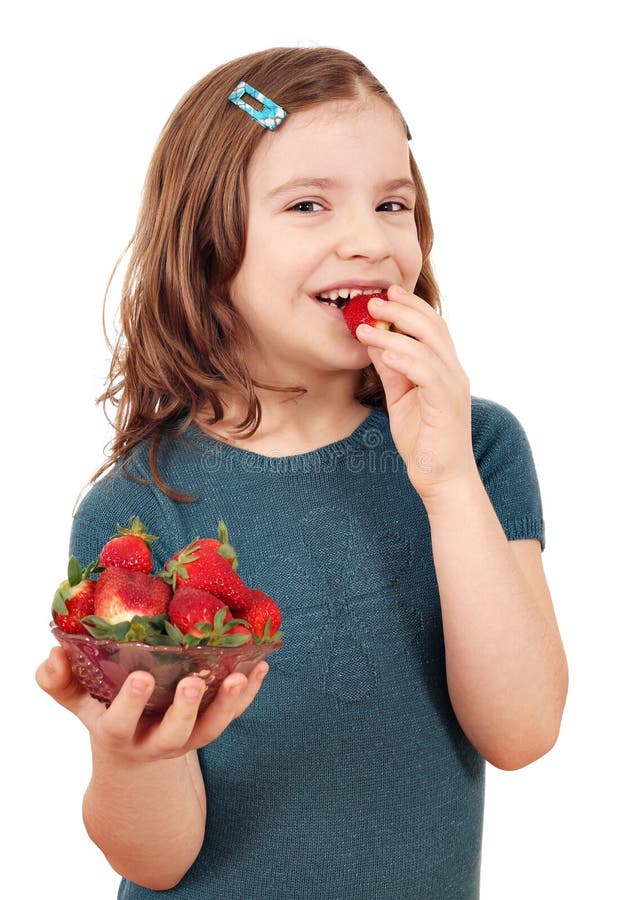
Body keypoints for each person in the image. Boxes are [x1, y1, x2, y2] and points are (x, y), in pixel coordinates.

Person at [36, 46, 568, 900]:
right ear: (213, 253)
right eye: (309, 204)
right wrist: (131, 756)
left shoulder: (478, 450)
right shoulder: (140, 510)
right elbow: (156, 858)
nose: (368, 238)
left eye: (393, 203)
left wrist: (448, 480)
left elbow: (523, 730)